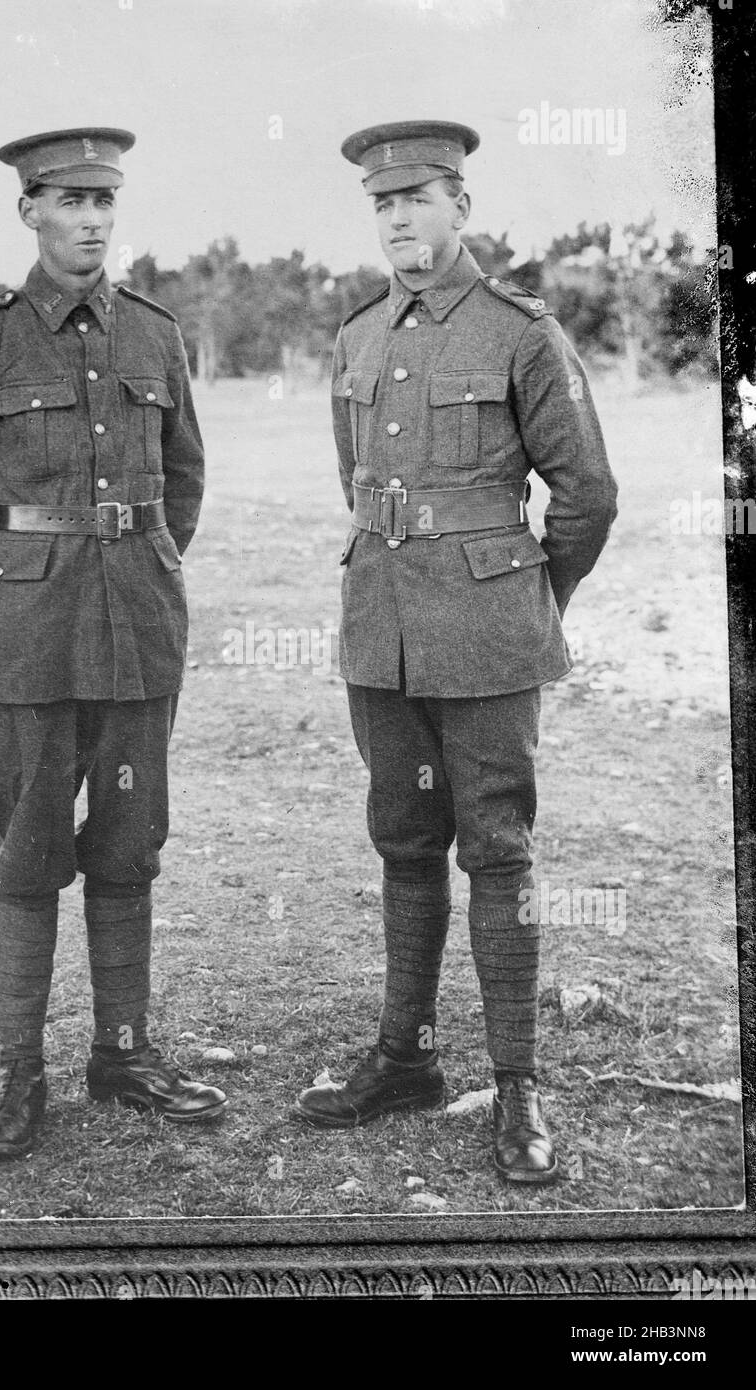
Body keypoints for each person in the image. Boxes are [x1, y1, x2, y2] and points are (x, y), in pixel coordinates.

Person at [294, 121, 618, 1183]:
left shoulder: (521, 332)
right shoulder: (358, 333)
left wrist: (528, 599)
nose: (398, 220)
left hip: (486, 634)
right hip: (379, 628)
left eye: (418, 198)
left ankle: (518, 1086)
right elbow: (357, 482)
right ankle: (404, 1057)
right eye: (382, 205)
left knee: (497, 848)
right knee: (400, 839)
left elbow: (587, 493)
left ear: (460, 207)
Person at [0, 127, 226, 1158]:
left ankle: (122, 1052)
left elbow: (184, 480)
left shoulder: (153, 334)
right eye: (68, 202)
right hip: (31, 635)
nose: (89, 222)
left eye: (103, 204)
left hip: (137, 625)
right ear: (29, 211)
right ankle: (17, 1071)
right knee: (31, 846)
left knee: (129, 843)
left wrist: (145, 565)